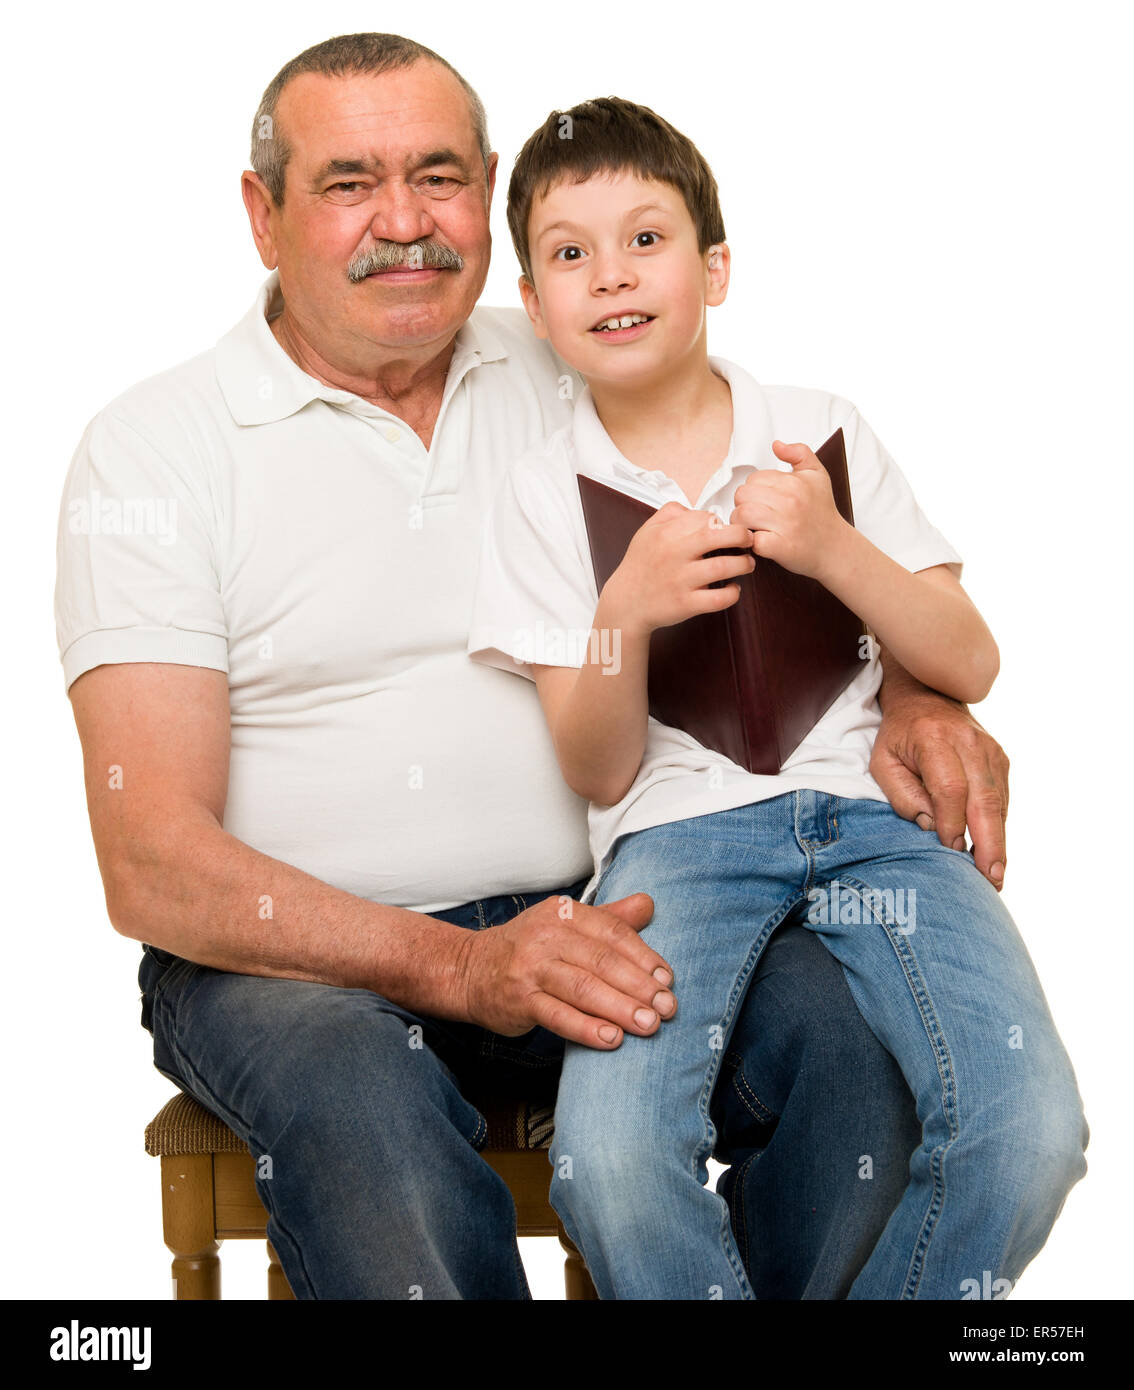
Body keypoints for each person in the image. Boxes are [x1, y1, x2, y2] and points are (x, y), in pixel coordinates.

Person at [56, 33, 1011, 1300]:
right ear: (262, 213)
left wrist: (918, 690)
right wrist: (456, 965)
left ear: (493, 192)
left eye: (440, 176)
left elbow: (790, 524)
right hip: (296, 969)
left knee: (863, 1057)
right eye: (348, 183)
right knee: (372, 1130)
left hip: (612, 901)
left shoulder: (579, 351)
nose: (404, 222)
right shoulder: (154, 451)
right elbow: (152, 861)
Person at [467, 96, 1088, 1300]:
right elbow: (597, 771)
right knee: (612, 1165)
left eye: (647, 238)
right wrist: (625, 611)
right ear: (536, 307)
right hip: (677, 847)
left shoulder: (821, 429)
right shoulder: (541, 492)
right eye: (570, 254)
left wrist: (835, 548)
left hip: (878, 828)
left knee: (1029, 1131)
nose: (611, 276)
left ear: (716, 267)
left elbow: (968, 661)